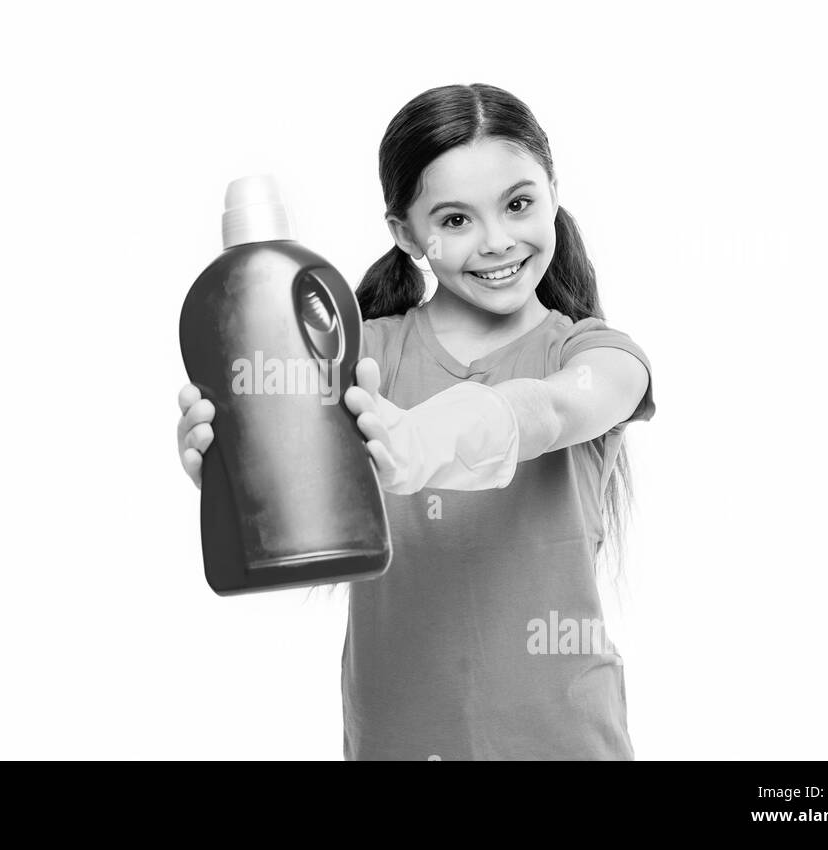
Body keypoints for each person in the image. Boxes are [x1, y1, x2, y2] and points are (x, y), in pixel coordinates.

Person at [175, 83, 655, 760]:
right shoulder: (358, 356)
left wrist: (426, 440)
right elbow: (302, 505)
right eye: (455, 220)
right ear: (406, 233)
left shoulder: (594, 356)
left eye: (518, 204)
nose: (497, 241)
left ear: (554, 192)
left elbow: (553, 409)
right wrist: (240, 472)